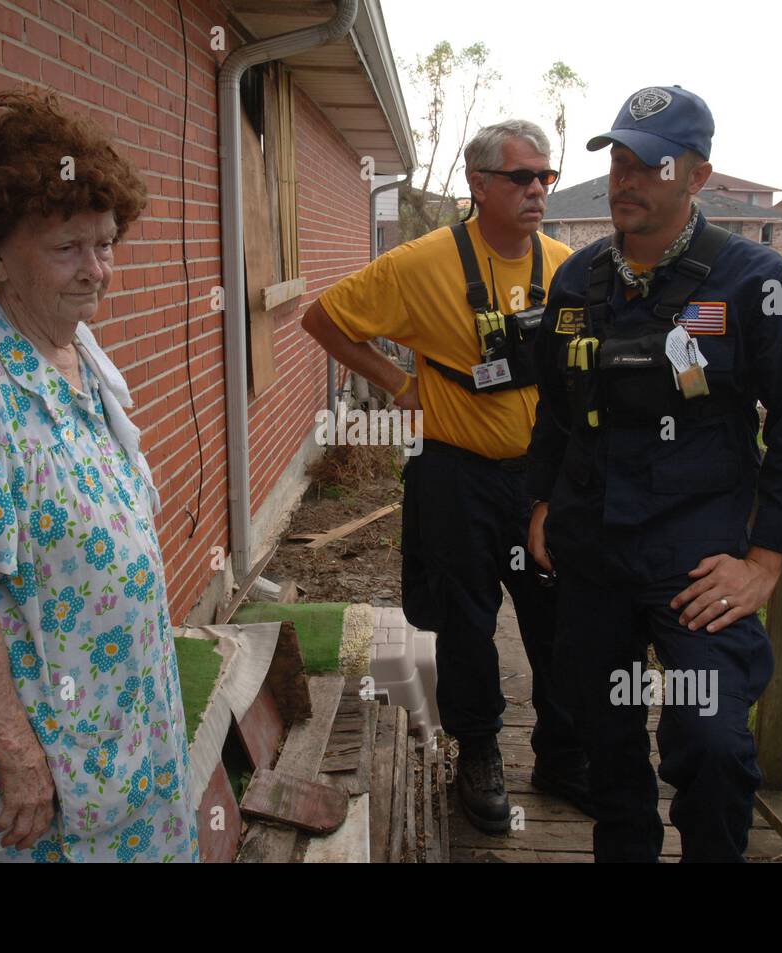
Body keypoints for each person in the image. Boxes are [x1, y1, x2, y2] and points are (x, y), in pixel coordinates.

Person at [0, 90, 196, 862]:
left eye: (106, 244)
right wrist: (20, 760)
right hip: (41, 771)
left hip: (121, 740)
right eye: (68, 250)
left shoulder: (75, 353)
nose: (97, 271)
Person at [527, 87, 782, 861]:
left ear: (698, 175)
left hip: (698, 555)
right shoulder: (579, 282)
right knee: (605, 738)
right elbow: (558, 410)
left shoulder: (756, 281)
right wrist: (539, 504)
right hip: (593, 546)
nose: (625, 181)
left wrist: (766, 563)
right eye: (619, 163)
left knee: (712, 746)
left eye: (650, 165)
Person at [302, 120, 590, 834]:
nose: (536, 190)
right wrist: (397, 385)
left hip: (542, 478)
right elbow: (324, 318)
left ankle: (561, 752)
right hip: (455, 472)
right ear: (480, 184)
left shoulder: (567, 268)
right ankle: (481, 752)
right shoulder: (420, 263)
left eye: (544, 177)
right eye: (520, 177)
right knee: (462, 623)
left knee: (561, 618)